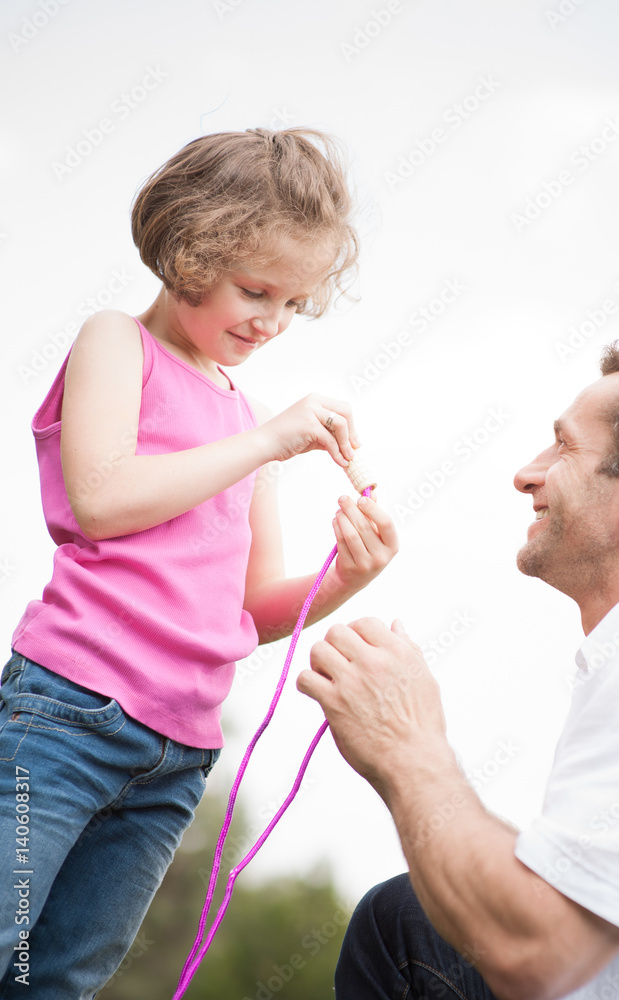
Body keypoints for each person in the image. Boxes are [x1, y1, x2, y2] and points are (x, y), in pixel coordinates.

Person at [0, 127, 398, 996]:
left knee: (59, 975)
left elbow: (250, 613)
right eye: (255, 290)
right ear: (188, 251)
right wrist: (262, 443)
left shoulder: (246, 421)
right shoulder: (119, 344)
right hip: (69, 710)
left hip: (178, 751)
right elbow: (102, 497)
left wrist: (345, 578)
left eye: (294, 303)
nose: (272, 320)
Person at [299, 326, 619, 1000]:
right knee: (406, 921)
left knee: (408, 926)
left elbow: (539, 954)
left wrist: (405, 746)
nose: (525, 473)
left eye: (562, 446)